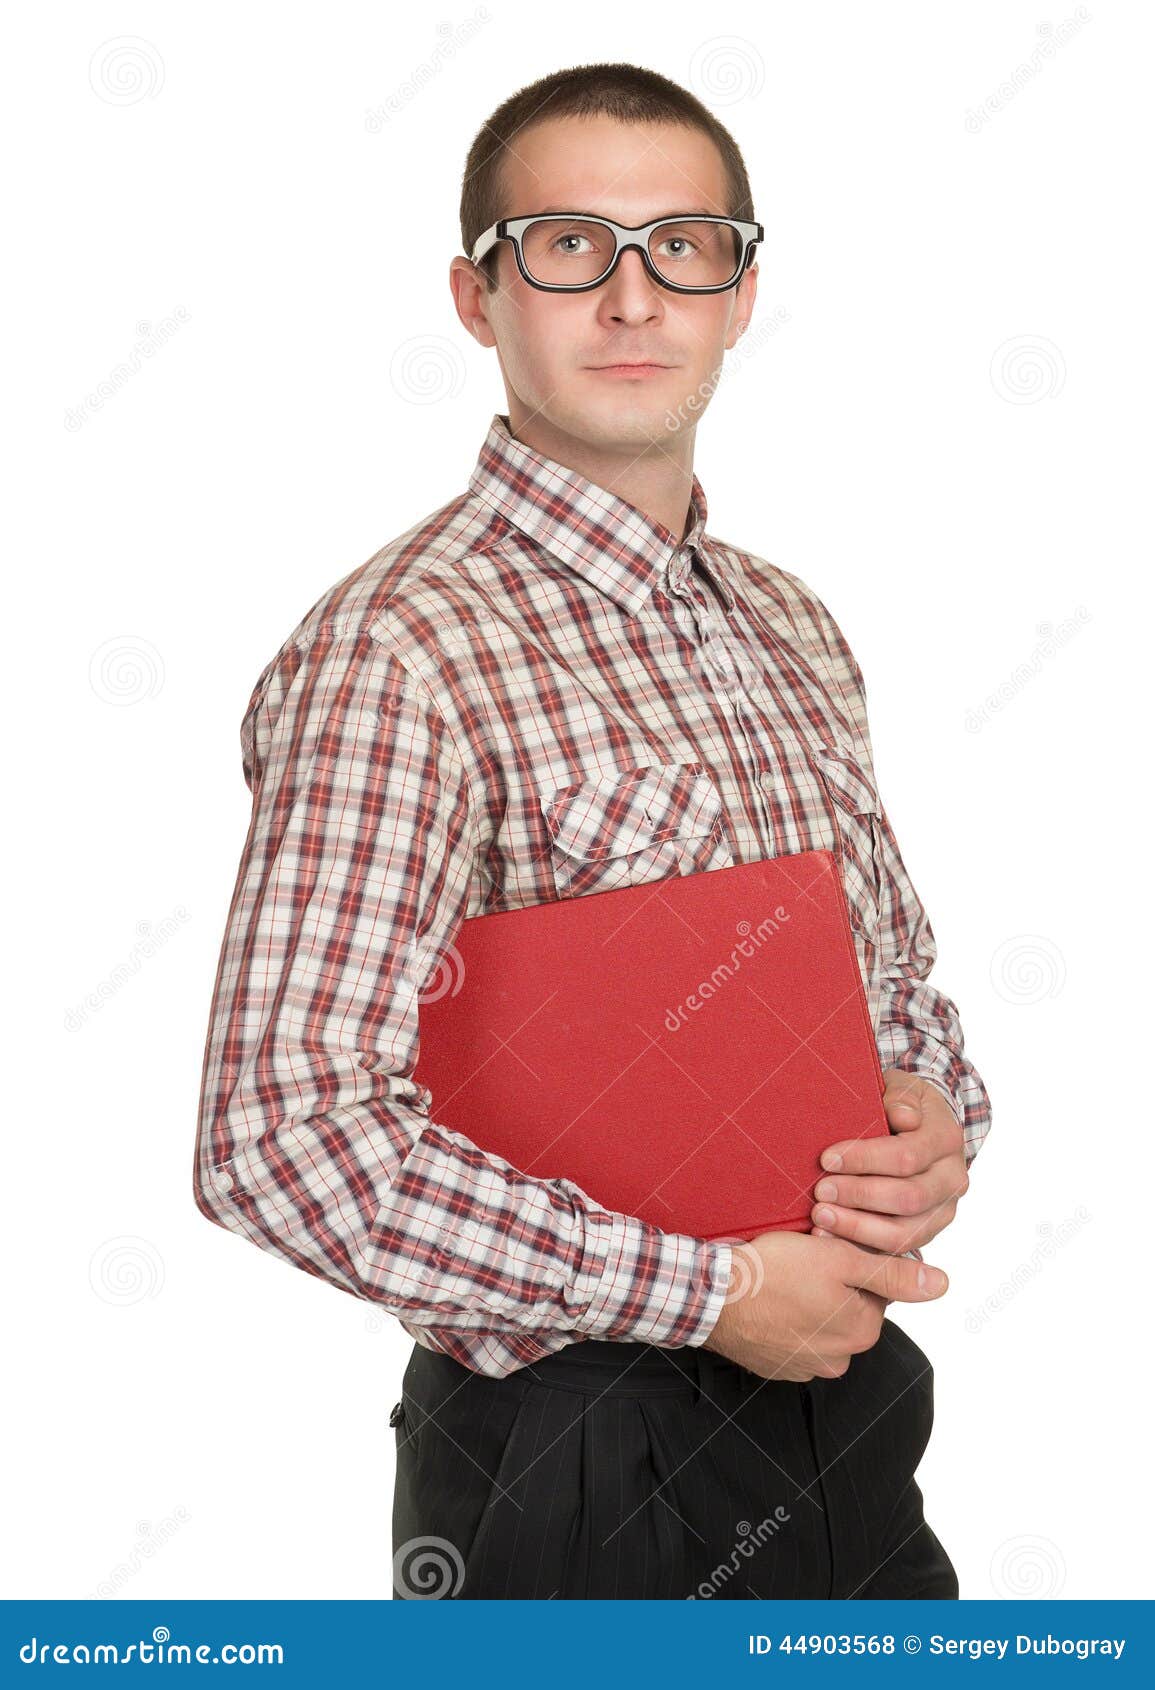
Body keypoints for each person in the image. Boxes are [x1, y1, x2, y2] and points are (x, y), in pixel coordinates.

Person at [193, 61, 992, 1601]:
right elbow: (279, 1138)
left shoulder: (789, 624)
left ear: (741, 292)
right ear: (476, 293)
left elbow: (898, 997)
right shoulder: (398, 651)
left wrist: (930, 1121)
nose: (633, 296)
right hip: (580, 1470)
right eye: (569, 244)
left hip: (859, 1418)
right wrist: (710, 1291)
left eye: (683, 245)